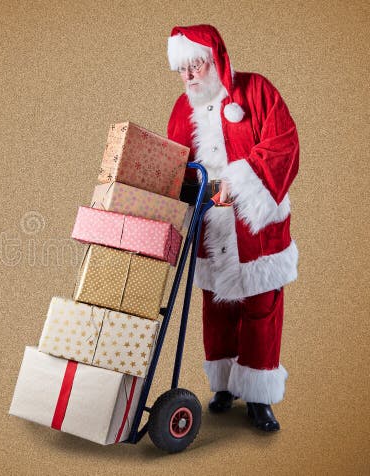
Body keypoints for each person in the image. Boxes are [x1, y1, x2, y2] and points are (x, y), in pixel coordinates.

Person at [165, 25, 299, 432]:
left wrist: (237, 184)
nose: (190, 77)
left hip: (255, 224)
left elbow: (283, 144)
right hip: (212, 226)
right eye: (183, 71)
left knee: (262, 308)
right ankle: (223, 387)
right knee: (217, 309)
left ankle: (259, 398)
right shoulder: (181, 109)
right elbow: (174, 162)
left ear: (216, 58)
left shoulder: (257, 90)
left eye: (196, 66)